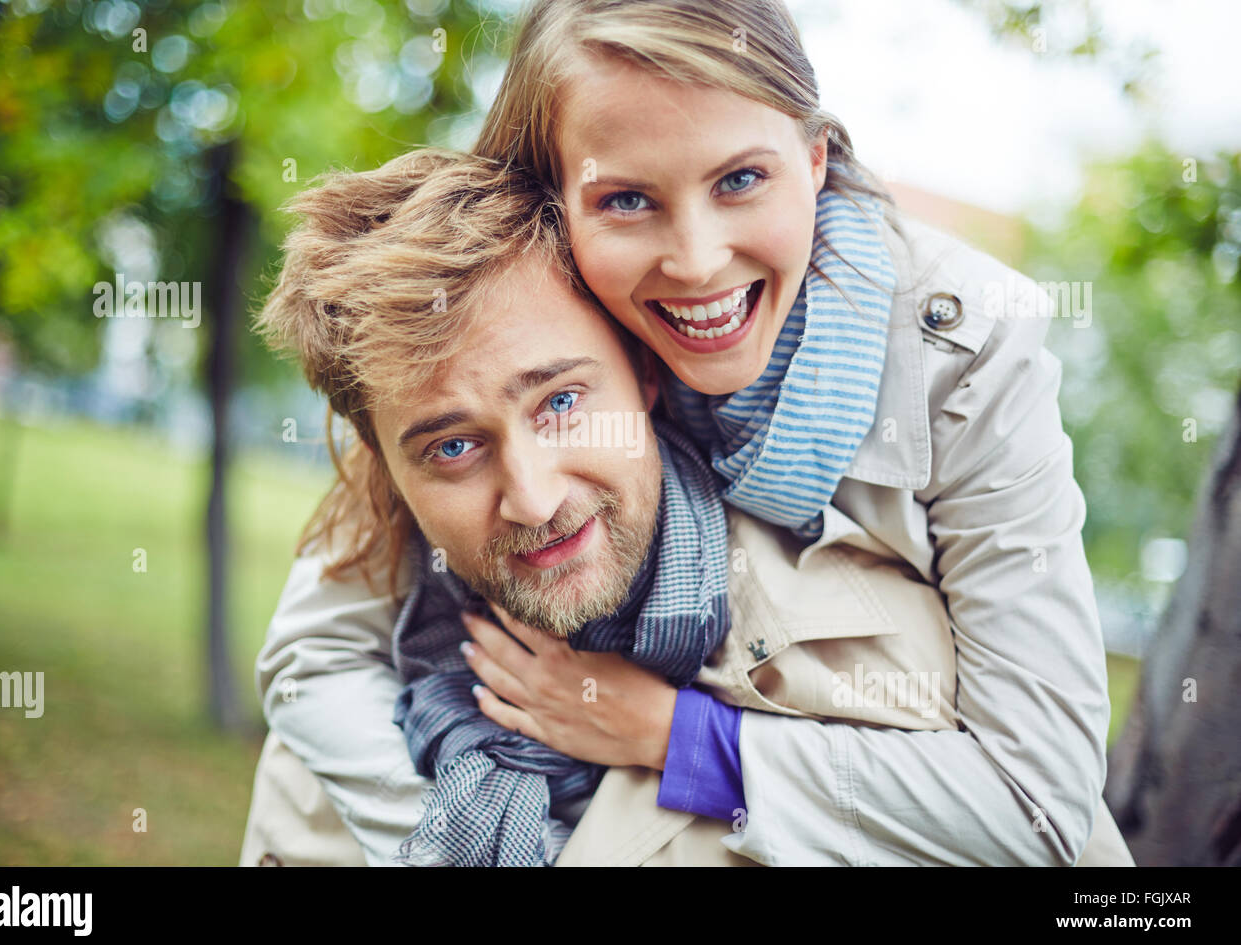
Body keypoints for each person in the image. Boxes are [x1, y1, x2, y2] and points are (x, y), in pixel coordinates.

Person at [241, 146, 1131, 866]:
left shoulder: (886, 673)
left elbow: (1047, 824)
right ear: (386, 476)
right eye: (454, 447)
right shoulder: (342, 733)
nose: (534, 497)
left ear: (645, 371)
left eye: (559, 402)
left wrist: (683, 741)